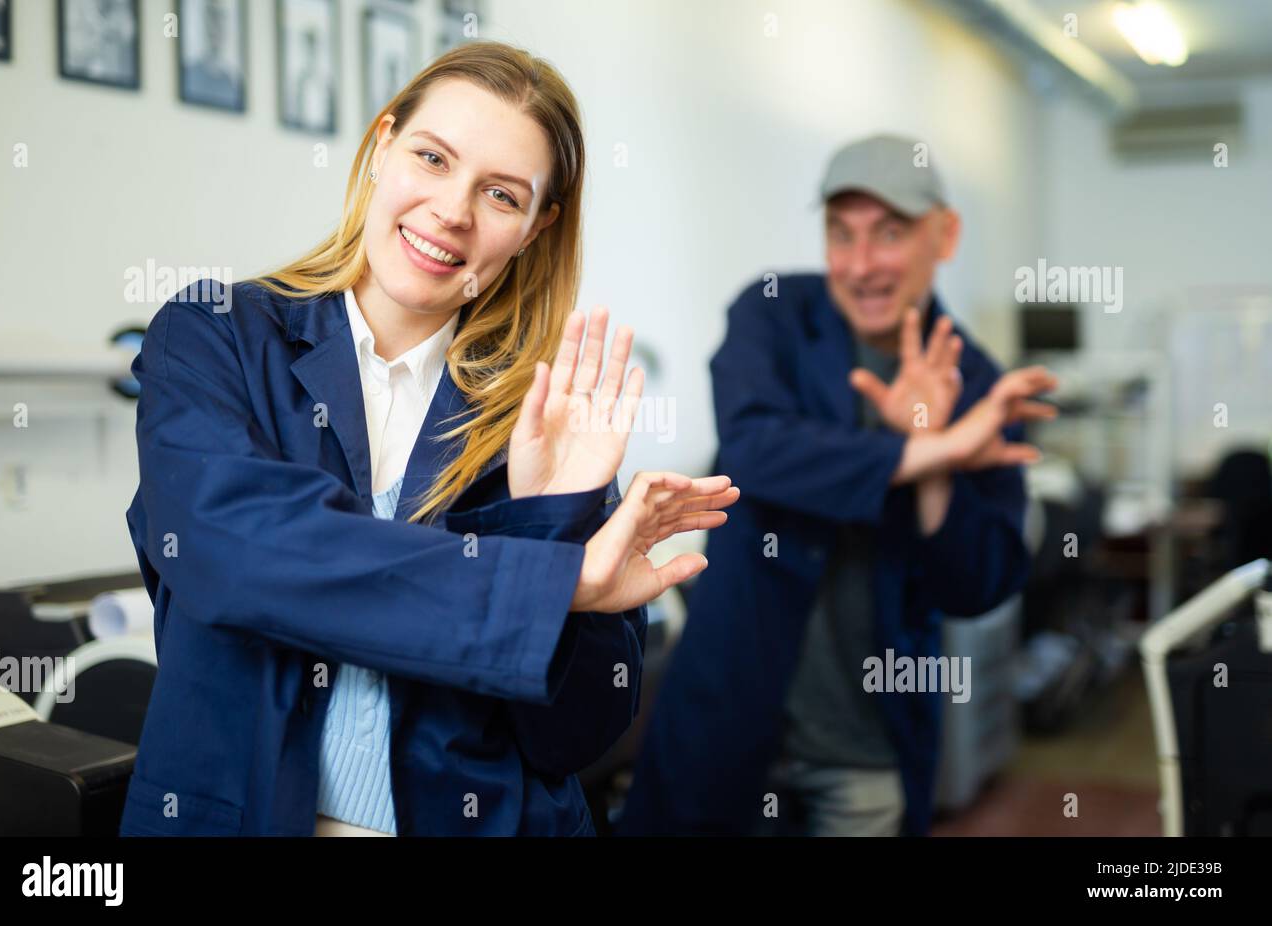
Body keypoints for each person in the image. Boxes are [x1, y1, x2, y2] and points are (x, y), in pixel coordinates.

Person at [119, 41, 737, 837]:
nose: (453, 210)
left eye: (502, 195)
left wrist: (550, 519)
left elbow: (577, 734)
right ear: (382, 146)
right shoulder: (213, 336)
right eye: (433, 157)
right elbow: (242, 554)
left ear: (534, 230)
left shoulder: (539, 416)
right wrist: (557, 578)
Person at [619, 134, 1057, 837]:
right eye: (840, 234)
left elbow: (979, 584)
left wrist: (936, 464)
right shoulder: (773, 314)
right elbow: (756, 449)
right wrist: (927, 446)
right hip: (727, 716)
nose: (860, 265)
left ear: (945, 235)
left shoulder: (979, 386)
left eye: (889, 233)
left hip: (868, 747)